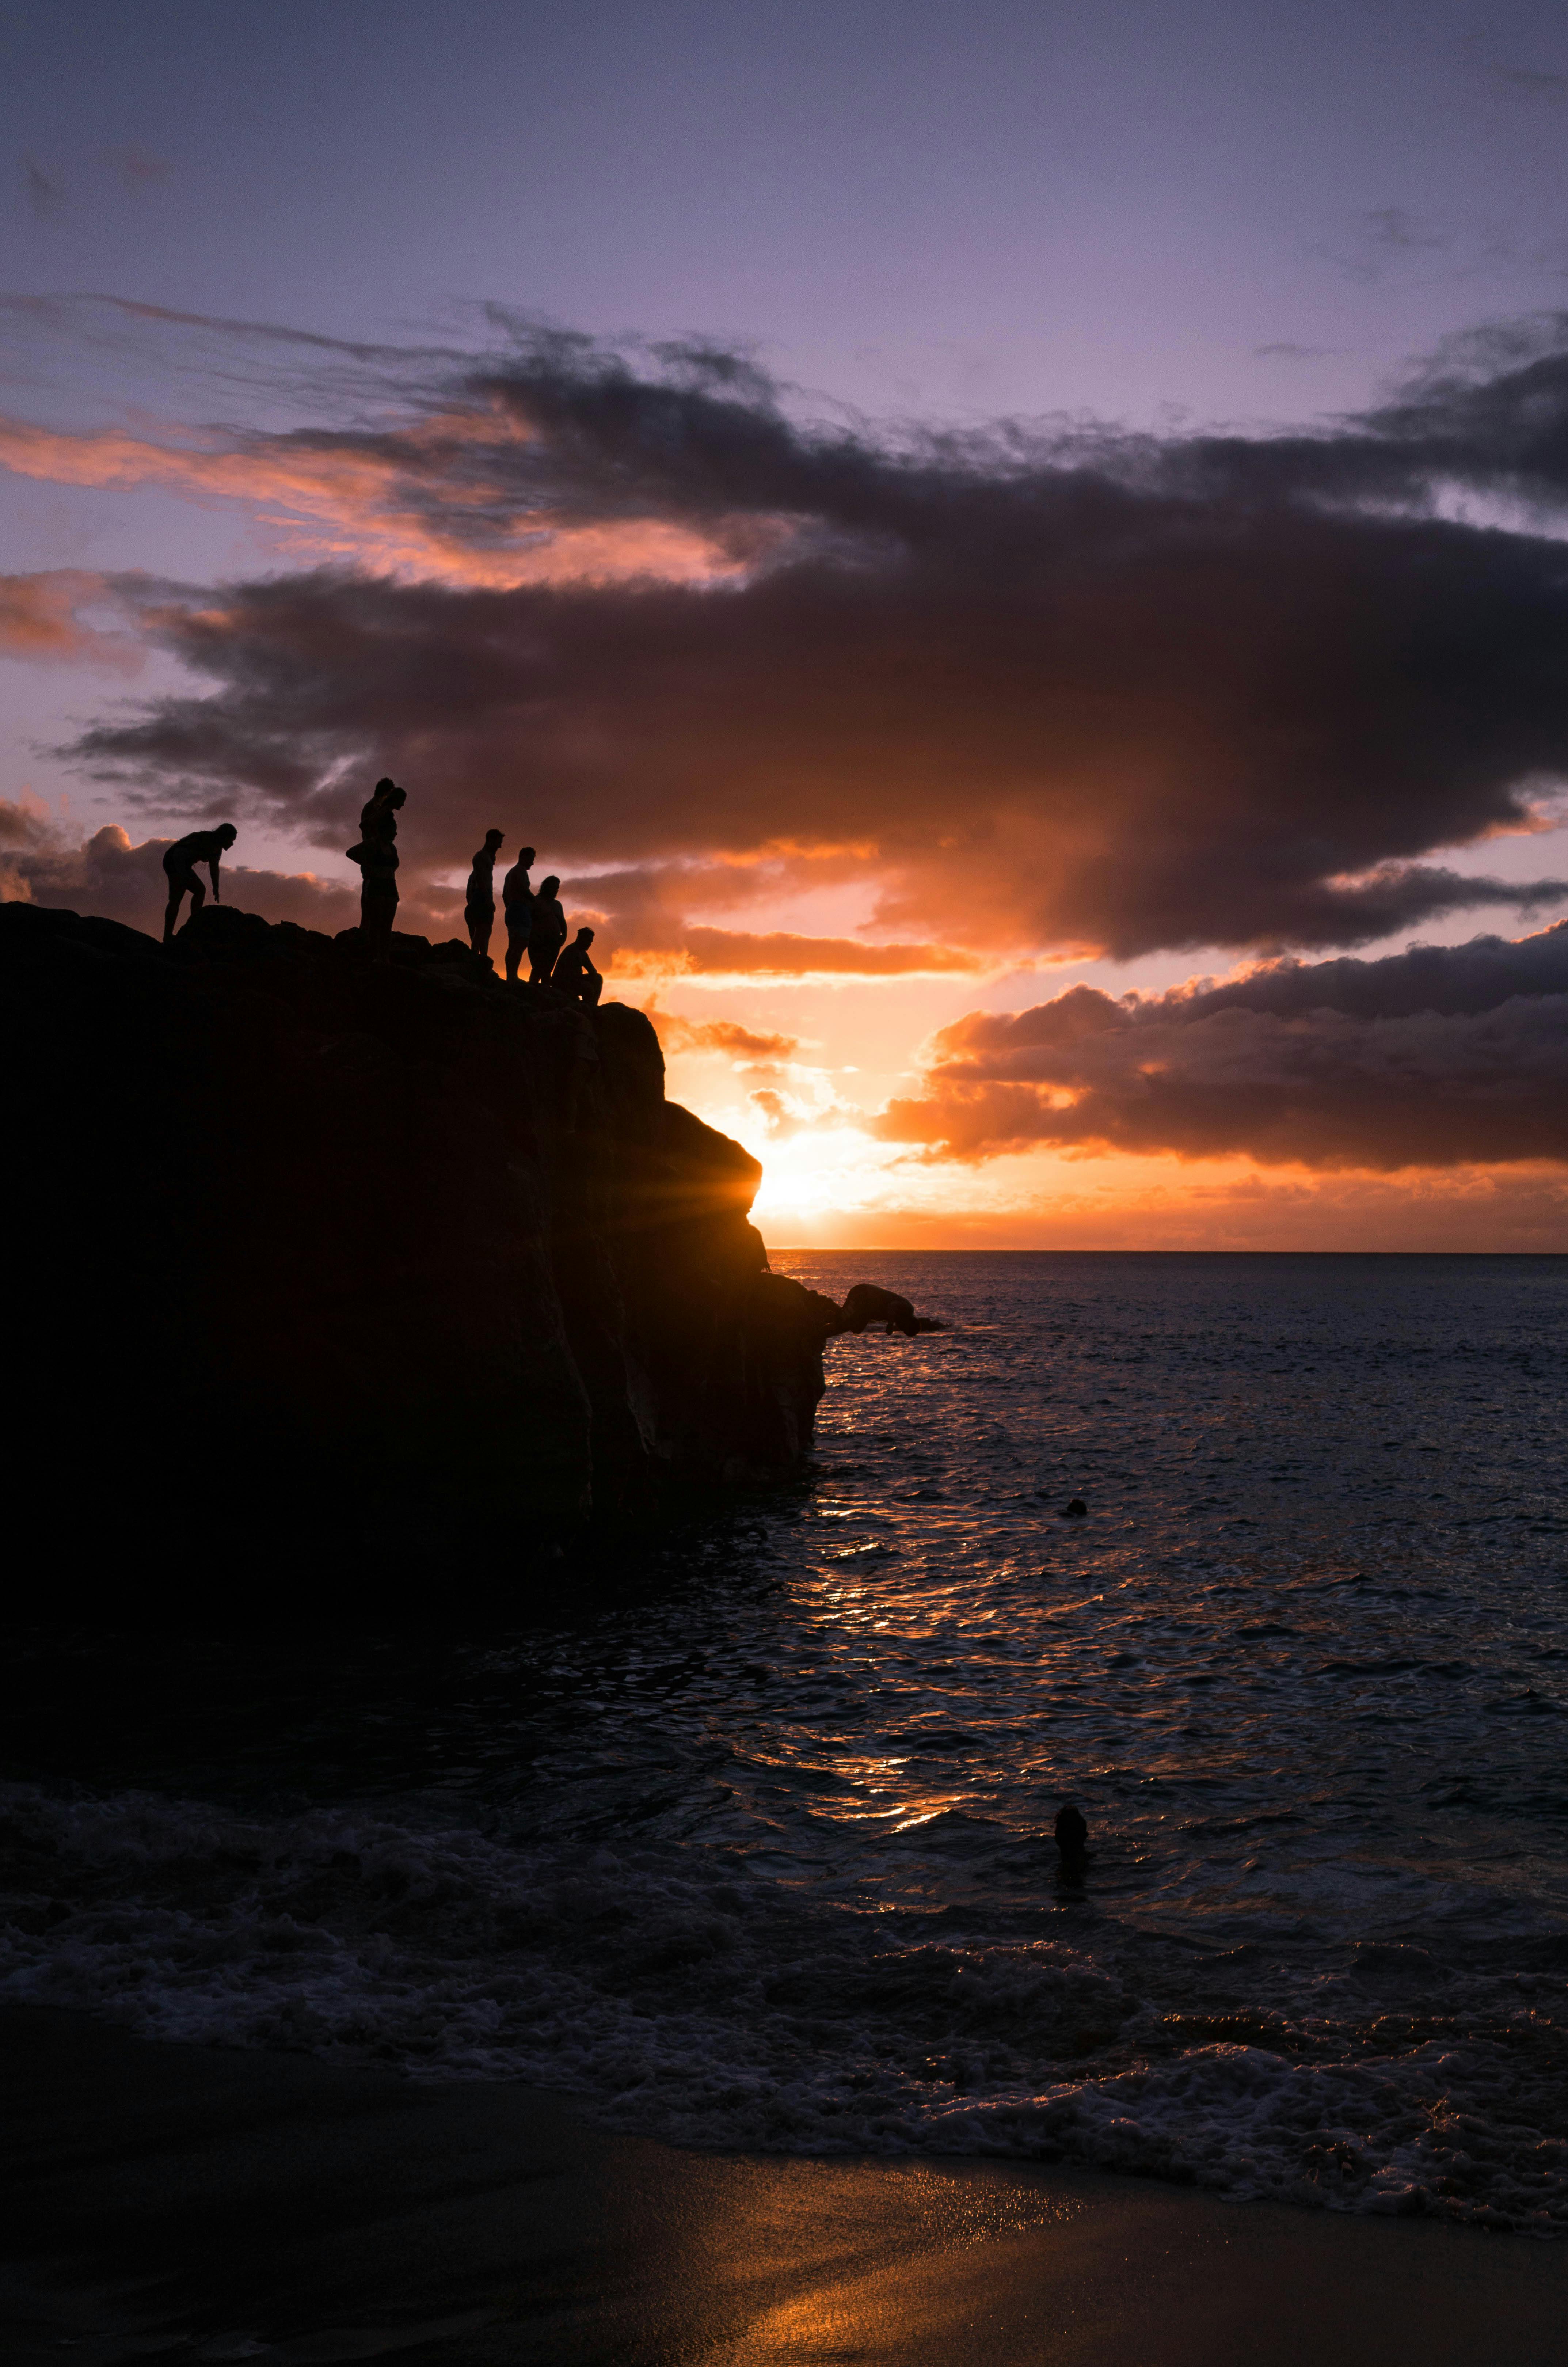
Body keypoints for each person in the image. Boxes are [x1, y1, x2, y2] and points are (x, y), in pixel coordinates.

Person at [346, 779, 405, 961]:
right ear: (387, 794)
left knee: (378, 910)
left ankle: (372, 941)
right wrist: (375, 853)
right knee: (371, 900)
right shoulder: (377, 808)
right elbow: (366, 827)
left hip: (381, 858)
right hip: (375, 856)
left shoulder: (379, 809)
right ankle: (367, 937)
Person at [162, 823, 238, 942]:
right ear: (224, 837)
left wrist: (216, 888)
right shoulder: (208, 840)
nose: (232, 844)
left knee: (200, 891)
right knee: (177, 897)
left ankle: (194, 924)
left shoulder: (217, 848)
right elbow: (180, 853)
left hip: (184, 863)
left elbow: (214, 868)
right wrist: (183, 876)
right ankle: (168, 936)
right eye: (231, 840)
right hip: (174, 859)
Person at [839, 1282, 944, 1337]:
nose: (901, 1329)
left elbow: (870, 1313)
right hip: (863, 1293)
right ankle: (831, 1308)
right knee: (845, 1320)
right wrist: (890, 1324)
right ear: (908, 1324)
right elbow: (893, 1306)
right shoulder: (908, 1309)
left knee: (855, 1329)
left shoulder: (900, 1317)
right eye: (904, 1329)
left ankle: (832, 1312)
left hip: (865, 1301)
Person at [464, 828, 506, 962]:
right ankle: (476, 959)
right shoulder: (481, 857)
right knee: (481, 930)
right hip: (482, 896)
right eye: (499, 843)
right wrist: (488, 899)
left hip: (484, 896)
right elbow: (480, 880)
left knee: (486, 931)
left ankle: (482, 959)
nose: (500, 847)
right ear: (491, 840)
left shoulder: (486, 857)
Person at [501, 844, 536, 984]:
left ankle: (511, 976)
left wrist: (510, 907)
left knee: (513, 945)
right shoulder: (520, 871)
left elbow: (504, 895)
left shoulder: (511, 873)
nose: (533, 863)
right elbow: (524, 891)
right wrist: (536, 902)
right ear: (524, 857)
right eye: (531, 859)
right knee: (521, 943)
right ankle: (513, 976)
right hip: (519, 910)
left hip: (513, 909)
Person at [527, 874, 567, 985]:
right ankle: (532, 989)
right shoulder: (536, 901)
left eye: (557, 888)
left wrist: (564, 935)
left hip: (554, 942)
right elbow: (529, 920)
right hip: (538, 941)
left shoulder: (557, 905)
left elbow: (562, 921)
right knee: (537, 969)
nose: (556, 890)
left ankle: (545, 990)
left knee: (548, 970)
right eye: (554, 887)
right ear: (546, 887)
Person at [552, 925, 602, 1007]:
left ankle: (593, 1005)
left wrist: (593, 979)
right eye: (589, 941)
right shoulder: (571, 951)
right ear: (582, 939)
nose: (590, 944)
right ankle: (587, 1005)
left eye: (591, 942)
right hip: (563, 982)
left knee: (598, 978)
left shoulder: (583, 953)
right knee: (588, 988)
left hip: (575, 980)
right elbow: (567, 976)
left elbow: (593, 971)